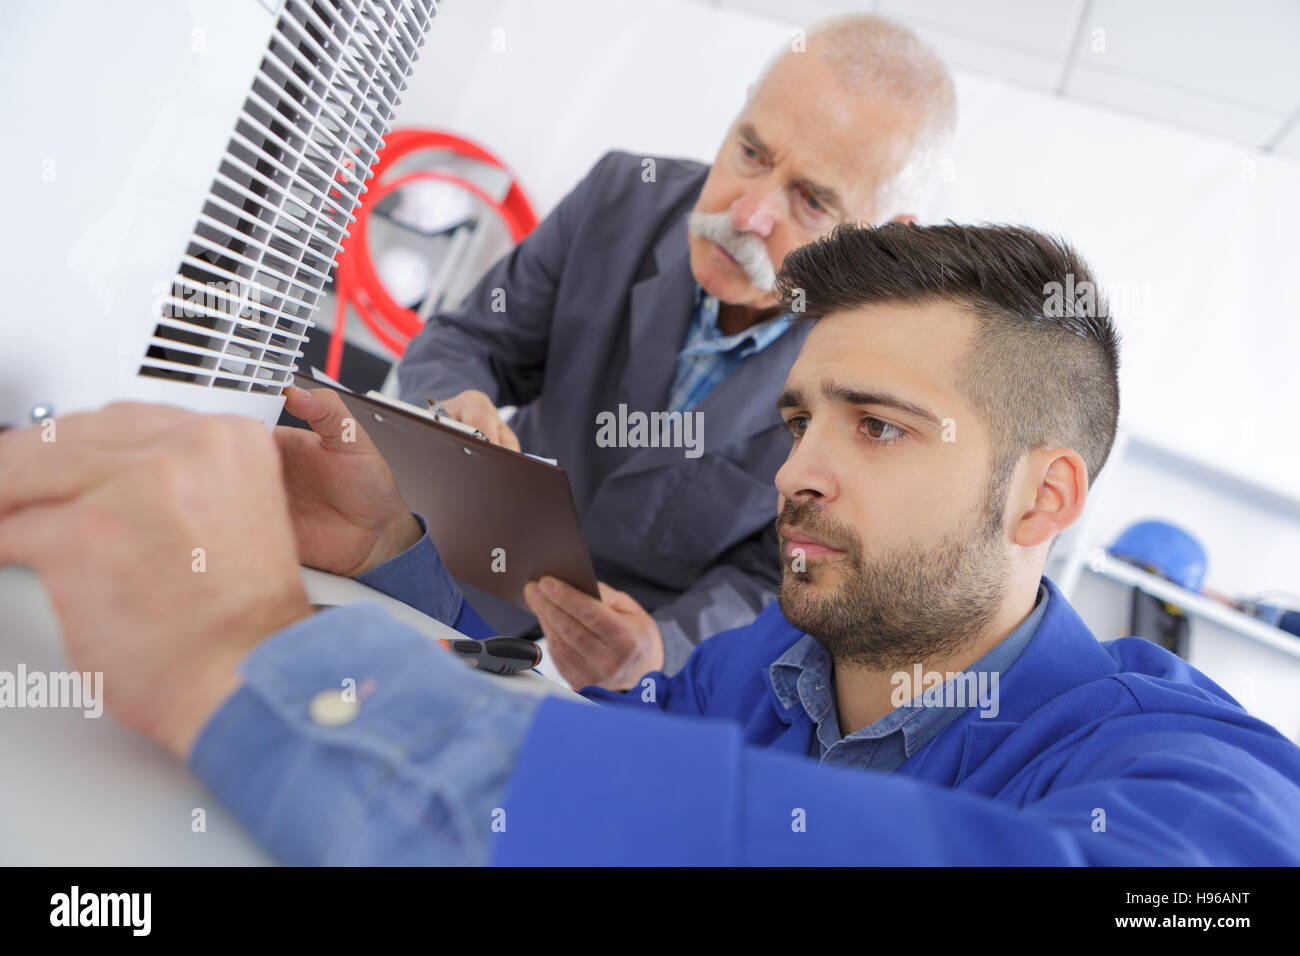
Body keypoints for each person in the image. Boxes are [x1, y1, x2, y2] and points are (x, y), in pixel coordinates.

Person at [5, 222, 1299, 865]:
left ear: (1044, 502)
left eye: (883, 429)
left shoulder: (1187, 762)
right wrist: (397, 546)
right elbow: (623, 738)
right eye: (802, 418)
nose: (799, 470)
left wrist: (257, 661)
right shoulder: (765, 671)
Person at [395, 14, 957, 688]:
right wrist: (455, 409)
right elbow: (467, 341)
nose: (747, 215)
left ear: (876, 237)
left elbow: (777, 573)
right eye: (751, 152)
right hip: (467, 573)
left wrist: (661, 647)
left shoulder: (878, 380)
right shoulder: (619, 199)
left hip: (638, 676)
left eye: (810, 201)